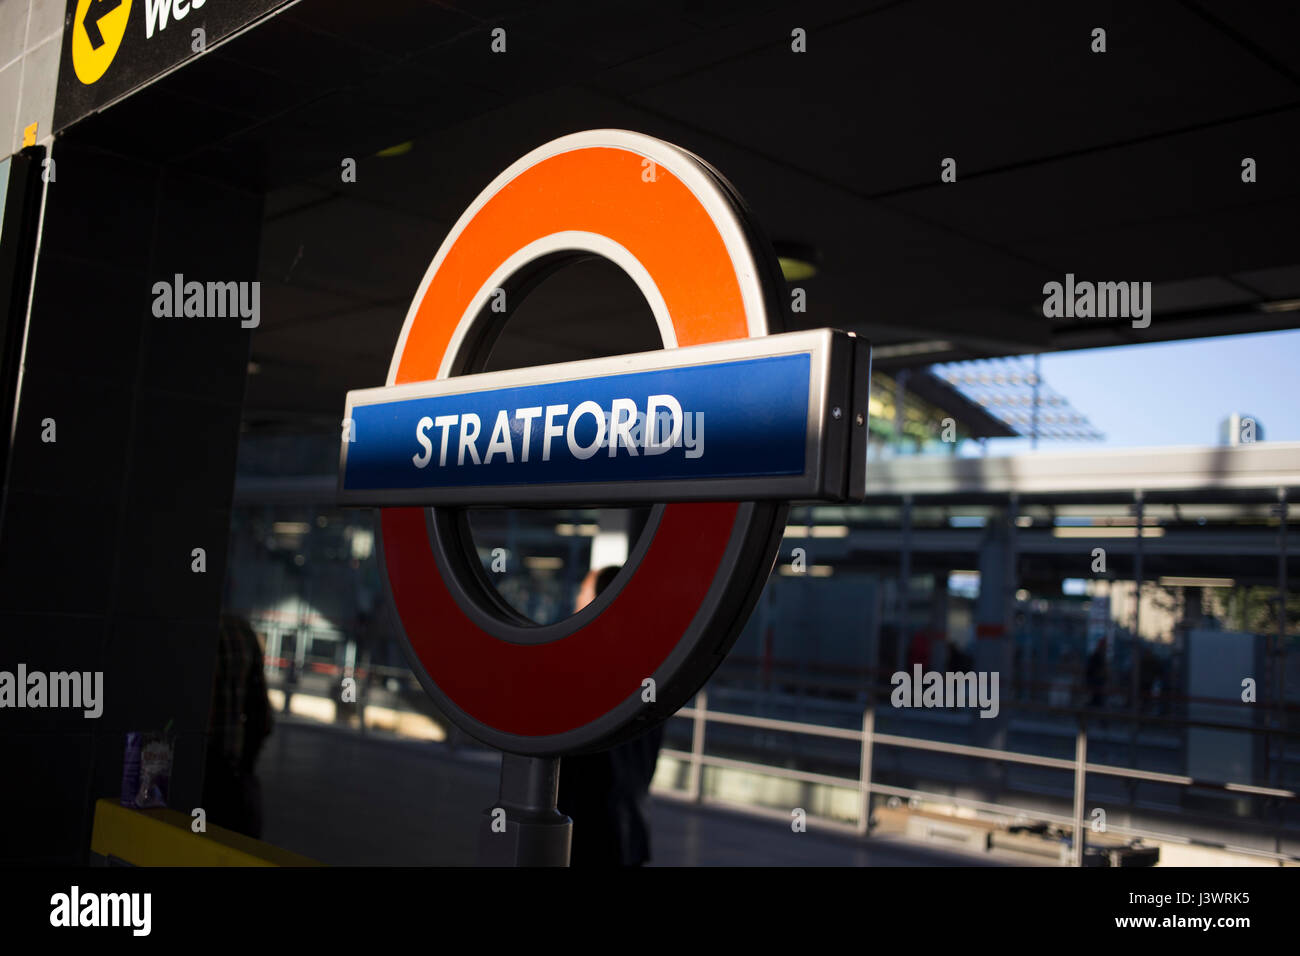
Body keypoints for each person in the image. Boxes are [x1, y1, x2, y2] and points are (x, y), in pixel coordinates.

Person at [557, 565, 665, 866]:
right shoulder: (651, 671)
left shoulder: (584, 672)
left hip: (586, 834)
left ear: (600, 605)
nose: (576, 604)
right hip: (628, 833)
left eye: (583, 595)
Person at [203, 614, 274, 838]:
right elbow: (262, 718)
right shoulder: (241, 630)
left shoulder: (186, 630)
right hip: (232, 772)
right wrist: (243, 766)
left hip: (198, 772)